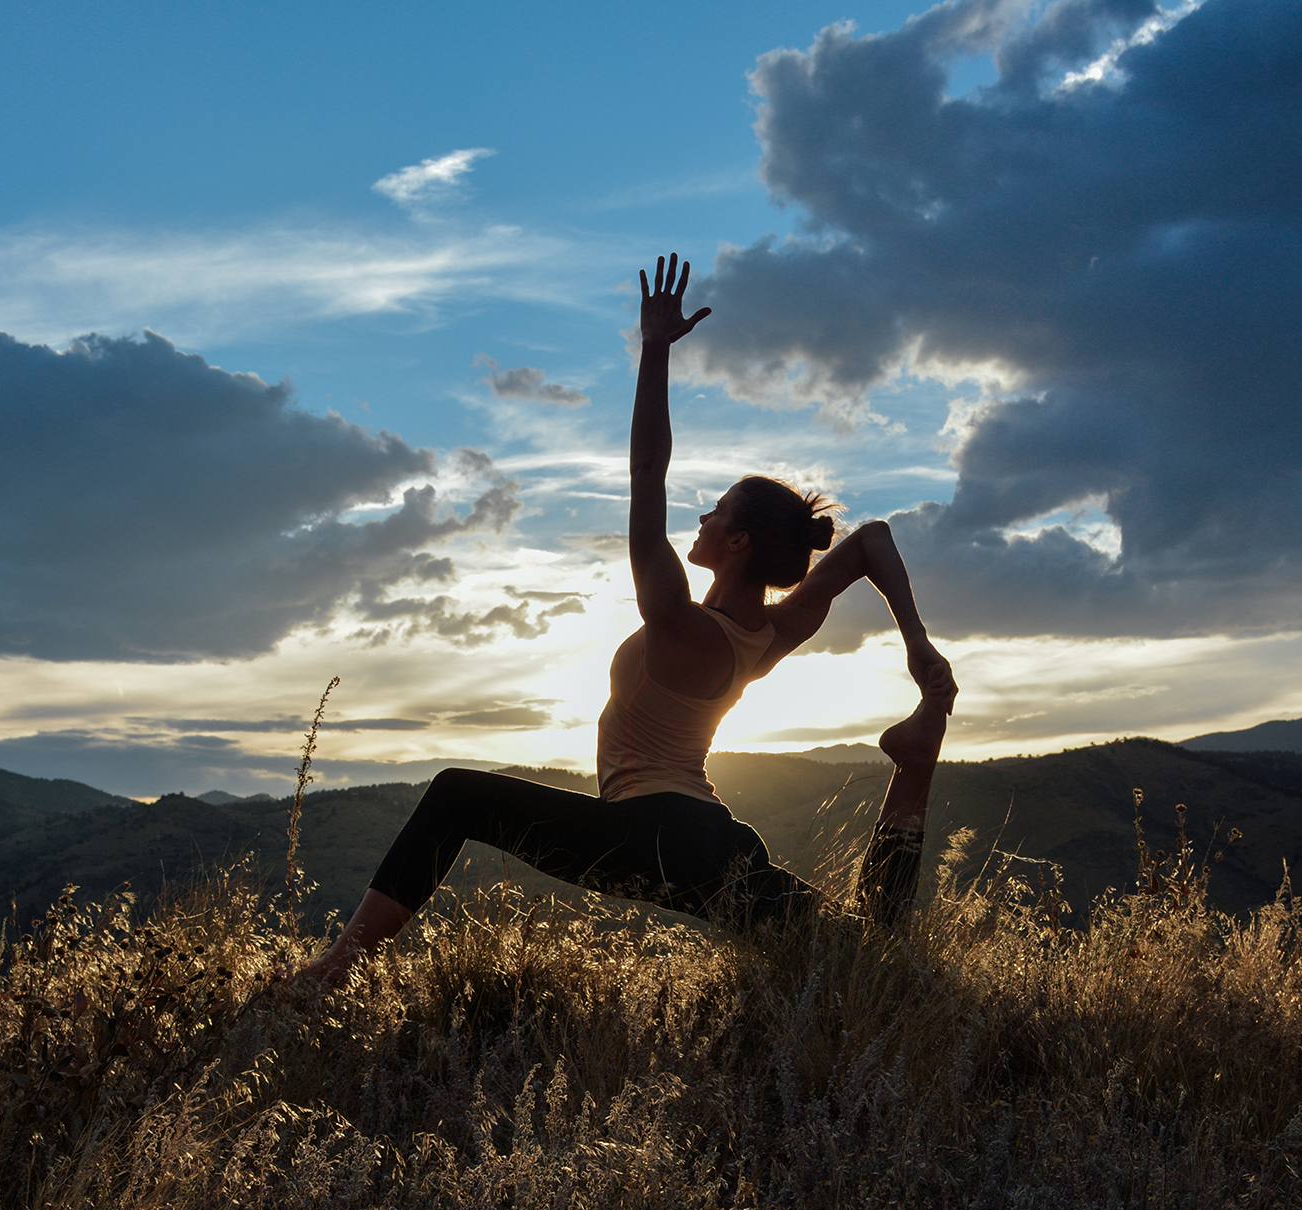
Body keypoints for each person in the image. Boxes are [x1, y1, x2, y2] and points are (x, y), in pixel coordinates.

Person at [294, 255, 955, 984]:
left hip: (652, 833)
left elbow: (648, 474)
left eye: (718, 511)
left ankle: (331, 972)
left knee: (456, 795)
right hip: (715, 841)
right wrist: (918, 647)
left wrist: (655, 352)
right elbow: (873, 540)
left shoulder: (677, 620)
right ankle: (915, 770)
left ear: (737, 542)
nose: (702, 517)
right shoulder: (767, 635)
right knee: (865, 954)